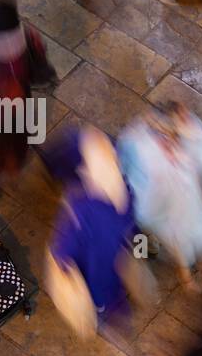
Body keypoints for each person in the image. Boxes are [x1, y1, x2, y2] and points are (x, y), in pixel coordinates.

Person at [117, 103, 202, 289]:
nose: (167, 138)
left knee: (198, 236)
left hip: (188, 205)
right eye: (161, 132)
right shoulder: (140, 146)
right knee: (173, 242)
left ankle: (196, 262)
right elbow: (131, 173)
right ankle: (184, 278)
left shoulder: (186, 141)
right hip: (164, 210)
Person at [45, 126, 140, 333]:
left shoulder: (81, 207)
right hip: (113, 257)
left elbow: (63, 249)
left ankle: (103, 314)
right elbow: (133, 225)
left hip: (95, 263)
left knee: (100, 291)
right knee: (110, 289)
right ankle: (115, 313)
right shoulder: (124, 192)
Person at [0, 0, 57, 183]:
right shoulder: (29, 40)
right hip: (17, 107)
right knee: (16, 139)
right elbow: (39, 64)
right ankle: (14, 163)